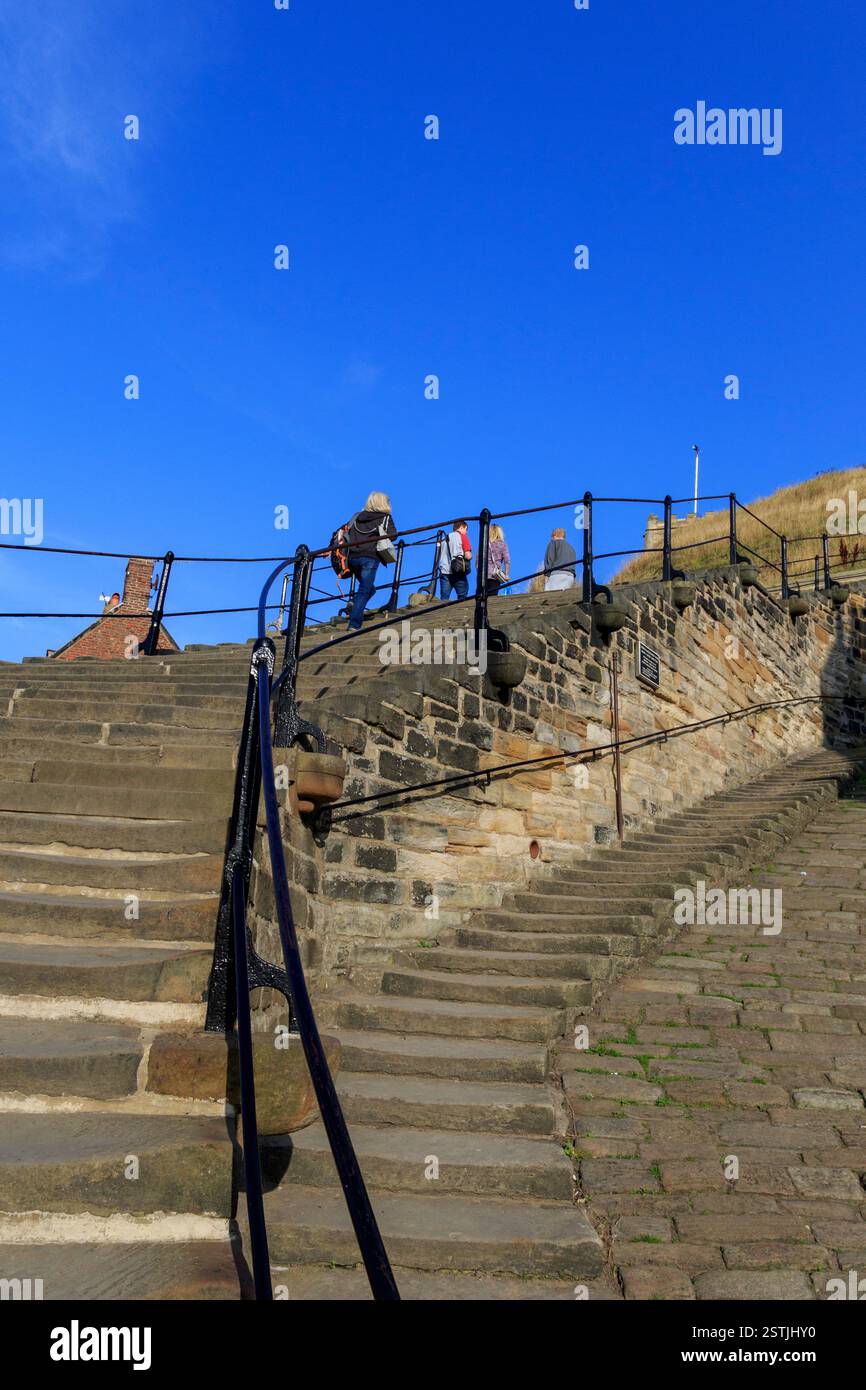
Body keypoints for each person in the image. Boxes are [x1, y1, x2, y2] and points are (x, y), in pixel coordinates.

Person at [345, 492, 397, 631]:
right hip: (370, 557)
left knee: (369, 589)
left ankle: (354, 603)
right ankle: (354, 624)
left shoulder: (357, 517)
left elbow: (347, 532)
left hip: (352, 558)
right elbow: (393, 535)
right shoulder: (385, 517)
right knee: (364, 590)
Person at [438, 520, 472, 601]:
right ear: (461, 527)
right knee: (462, 596)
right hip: (458, 571)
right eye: (466, 529)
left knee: (444, 598)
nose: (466, 532)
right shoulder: (463, 537)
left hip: (444, 572)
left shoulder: (444, 538)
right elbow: (468, 556)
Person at [487, 523, 510, 596]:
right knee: (492, 596)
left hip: (483, 576)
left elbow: (477, 561)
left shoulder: (484, 544)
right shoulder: (502, 544)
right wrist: (506, 575)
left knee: (481, 597)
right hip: (495, 576)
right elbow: (507, 561)